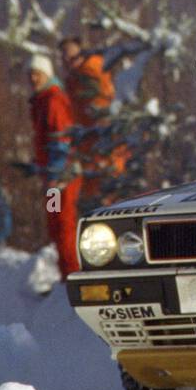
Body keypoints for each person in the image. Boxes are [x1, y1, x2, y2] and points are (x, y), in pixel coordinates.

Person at [29, 54, 80, 278]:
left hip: (61, 178)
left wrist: (56, 174)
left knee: (63, 224)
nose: (32, 78)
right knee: (54, 222)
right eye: (30, 74)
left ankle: (73, 275)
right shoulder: (41, 100)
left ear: (47, 74)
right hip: (51, 175)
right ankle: (64, 274)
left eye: (37, 73)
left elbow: (62, 138)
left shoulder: (53, 100)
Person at [59, 36, 126, 201]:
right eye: (64, 56)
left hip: (102, 149)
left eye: (71, 55)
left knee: (106, 200)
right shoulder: (74, 79)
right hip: (90, 149)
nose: (67, 60)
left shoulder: (90, 71)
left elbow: (102, 113)